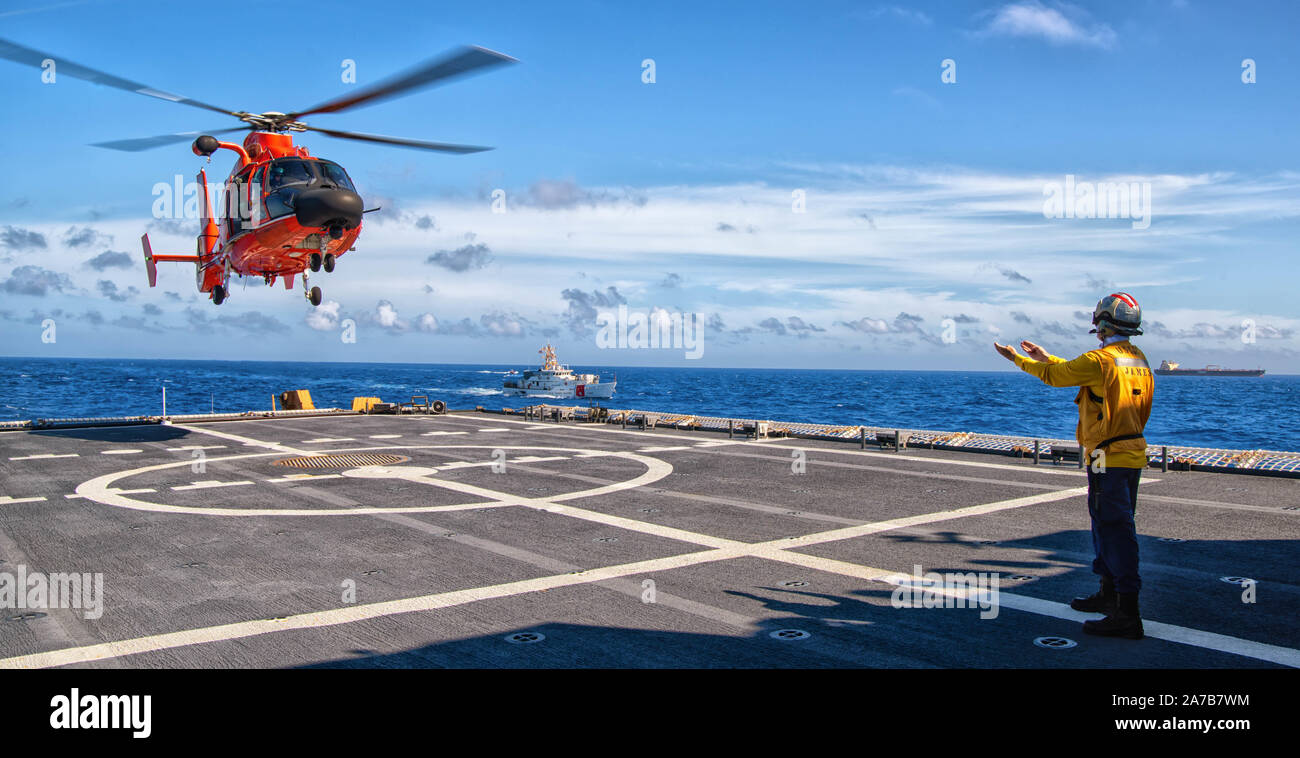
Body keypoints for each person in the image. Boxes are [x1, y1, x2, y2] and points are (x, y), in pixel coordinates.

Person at [993, 293, 1154, 640]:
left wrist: (1019, 359)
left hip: (1105, 456)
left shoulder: (1100, 359)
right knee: (1107, 525)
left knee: (1113, 529)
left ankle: (1127, 612)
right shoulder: (1136, 358)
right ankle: (1108, 593)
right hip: (1130, 453)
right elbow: (1078, 372)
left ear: (1102, 323)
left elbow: (1056, 376)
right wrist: (1045, 356)